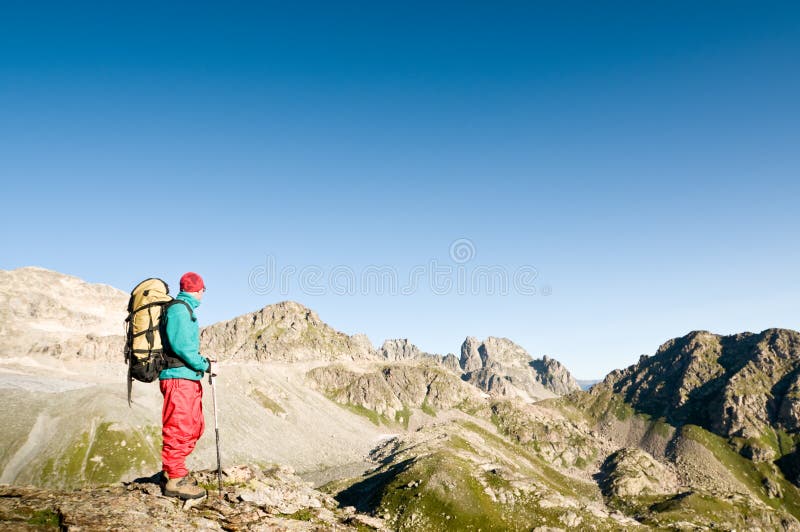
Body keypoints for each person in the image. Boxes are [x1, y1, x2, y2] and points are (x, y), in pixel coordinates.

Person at [160, 272, 218, 499]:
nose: (204, 293)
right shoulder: (179, 310)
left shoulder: (185, 309)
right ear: (200, 289)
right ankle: (174, 481)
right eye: (204, 289)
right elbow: (182, 347)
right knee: (180, 427)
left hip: (186, 377)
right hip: (178, 378)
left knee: (193, 426)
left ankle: (176, 471)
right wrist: (205, 364)